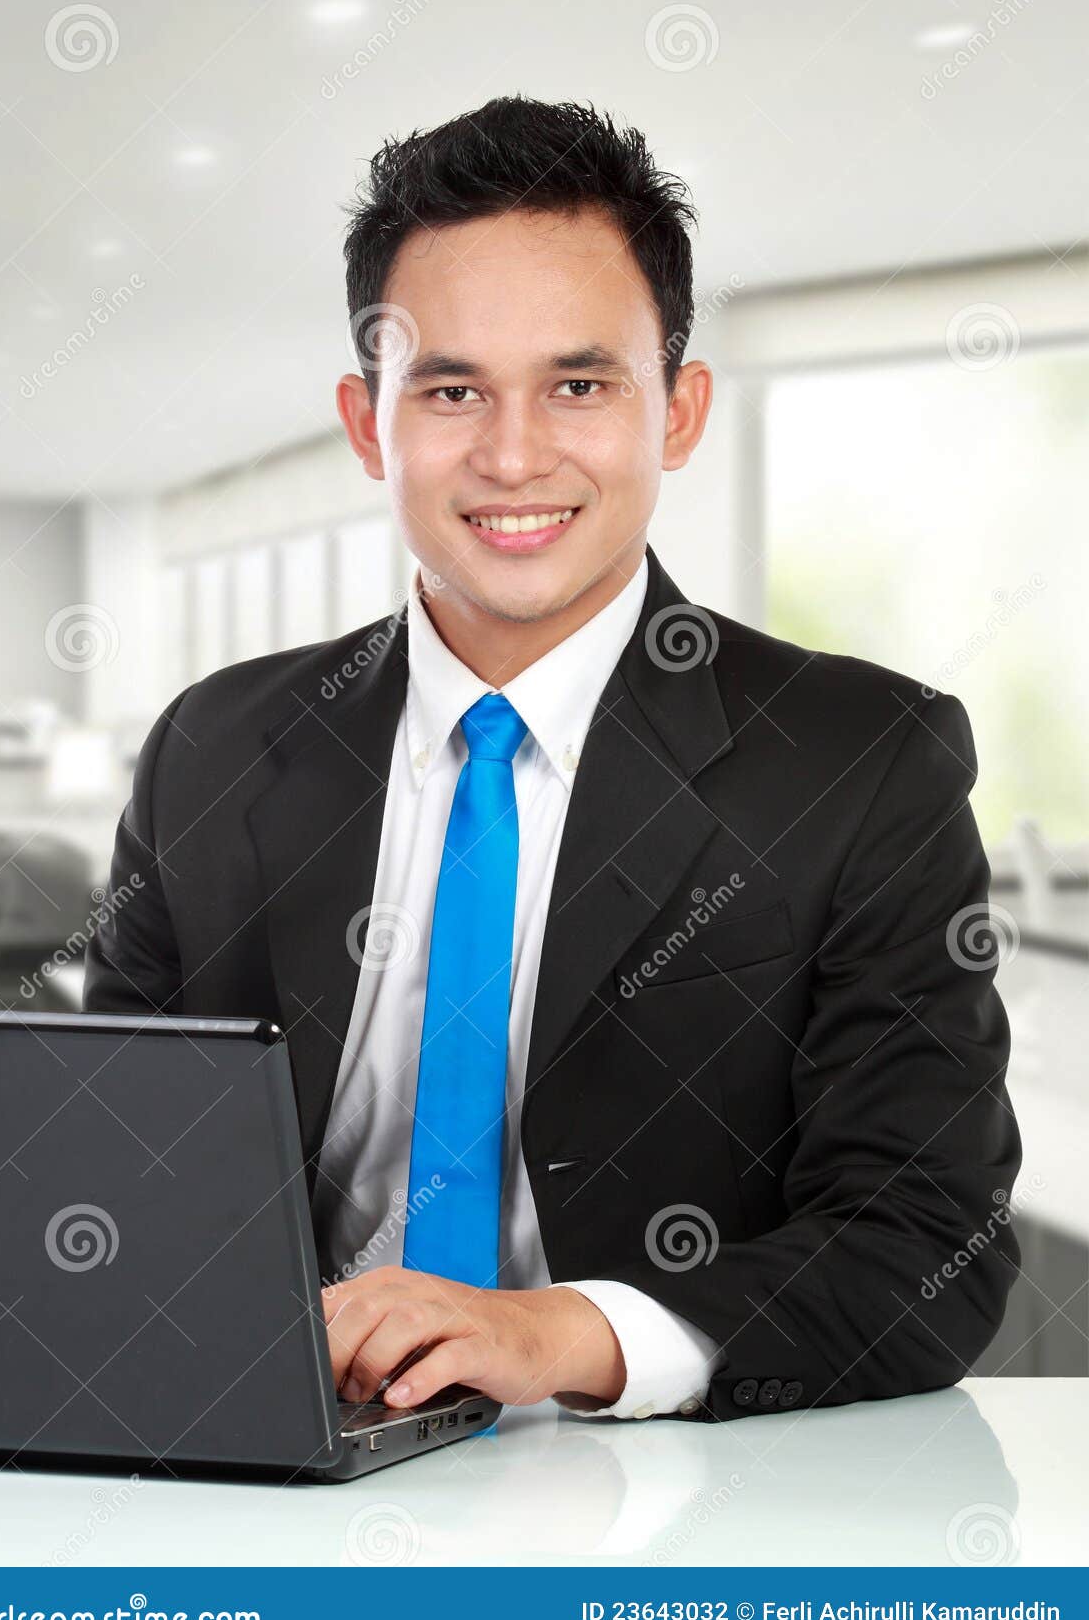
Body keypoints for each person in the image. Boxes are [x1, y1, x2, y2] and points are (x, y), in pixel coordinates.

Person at [84, 96, 1021, 1424]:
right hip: (266, 1463)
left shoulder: (860, 760)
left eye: (579, 385)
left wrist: (560, 1332)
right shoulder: (216, 747)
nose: (513, 454)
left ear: (679, 411)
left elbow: (925, 1242)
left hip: (668, 1494)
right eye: (450, 389)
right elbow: (106, 1170)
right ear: (369, 424)